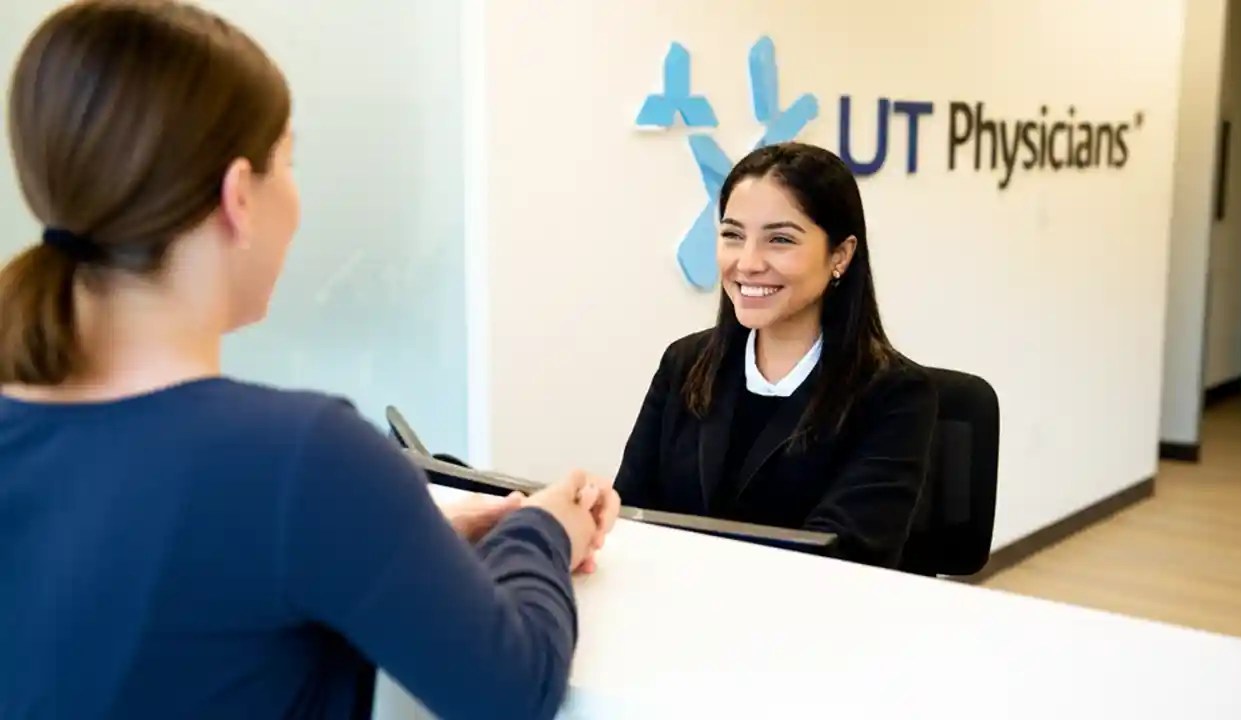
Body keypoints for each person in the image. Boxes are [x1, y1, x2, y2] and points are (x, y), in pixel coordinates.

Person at [0, 2, 619, 719]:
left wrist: (397, 549)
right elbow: (509, 692)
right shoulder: (301, 458)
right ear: (239, 196)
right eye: (288, 162)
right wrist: (541, 532)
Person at [614, 142, 937, 569]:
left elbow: (844, 557)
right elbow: (632, 516)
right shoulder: (685, 364)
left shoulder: (894, 394)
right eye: (732, 235)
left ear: (840, 255)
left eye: (780, 240)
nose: (747, 263)